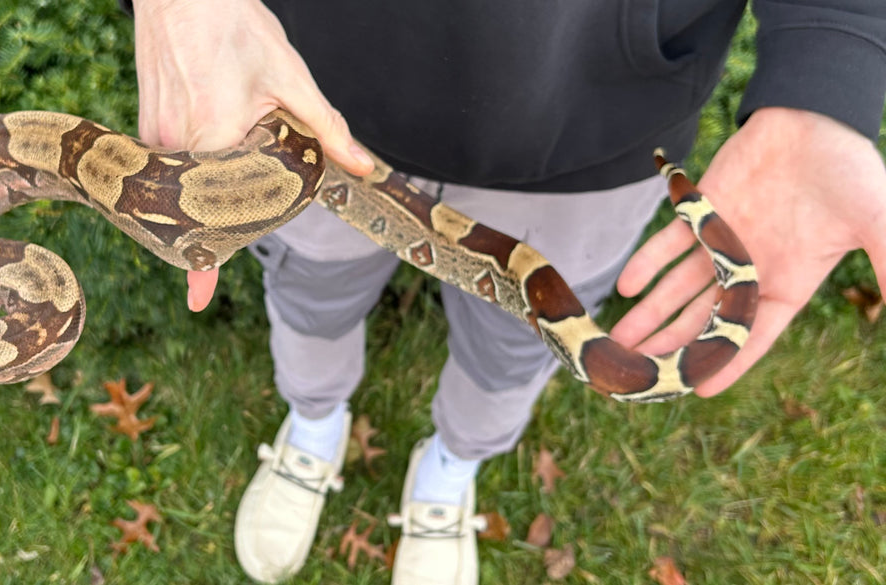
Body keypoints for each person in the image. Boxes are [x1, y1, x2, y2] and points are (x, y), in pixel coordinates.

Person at [128, 1, 886, 583]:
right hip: (305, 107)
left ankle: (453, 464)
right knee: (311, 292)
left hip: (590, 137)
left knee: (513, 355)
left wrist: (830, 64)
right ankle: (314, 422)